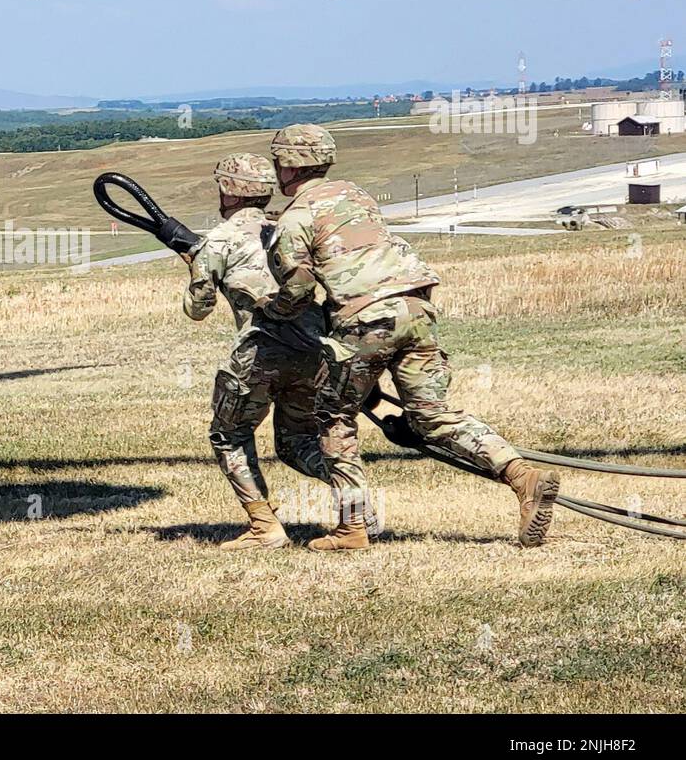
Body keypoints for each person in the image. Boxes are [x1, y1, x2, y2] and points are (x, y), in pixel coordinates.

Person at [263, 124, 559, 551]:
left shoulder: (295, 218)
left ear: (286, 165)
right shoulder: (356, 195)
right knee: (435, 417)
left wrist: (272, 311)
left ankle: (351, 528)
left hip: (365, 318)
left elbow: (297, 288)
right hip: (416, 308)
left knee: (333, 417)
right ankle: (522, 475)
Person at [183, 154, 358, 550]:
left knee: (229, 435)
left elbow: (198, 310)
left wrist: (195, 269)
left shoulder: (218, 242)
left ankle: (264, 526)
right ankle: (354, 506)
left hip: (259, 356)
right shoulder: (290, 228)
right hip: (314, 355)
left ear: (227, 191)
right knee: (298, 444)